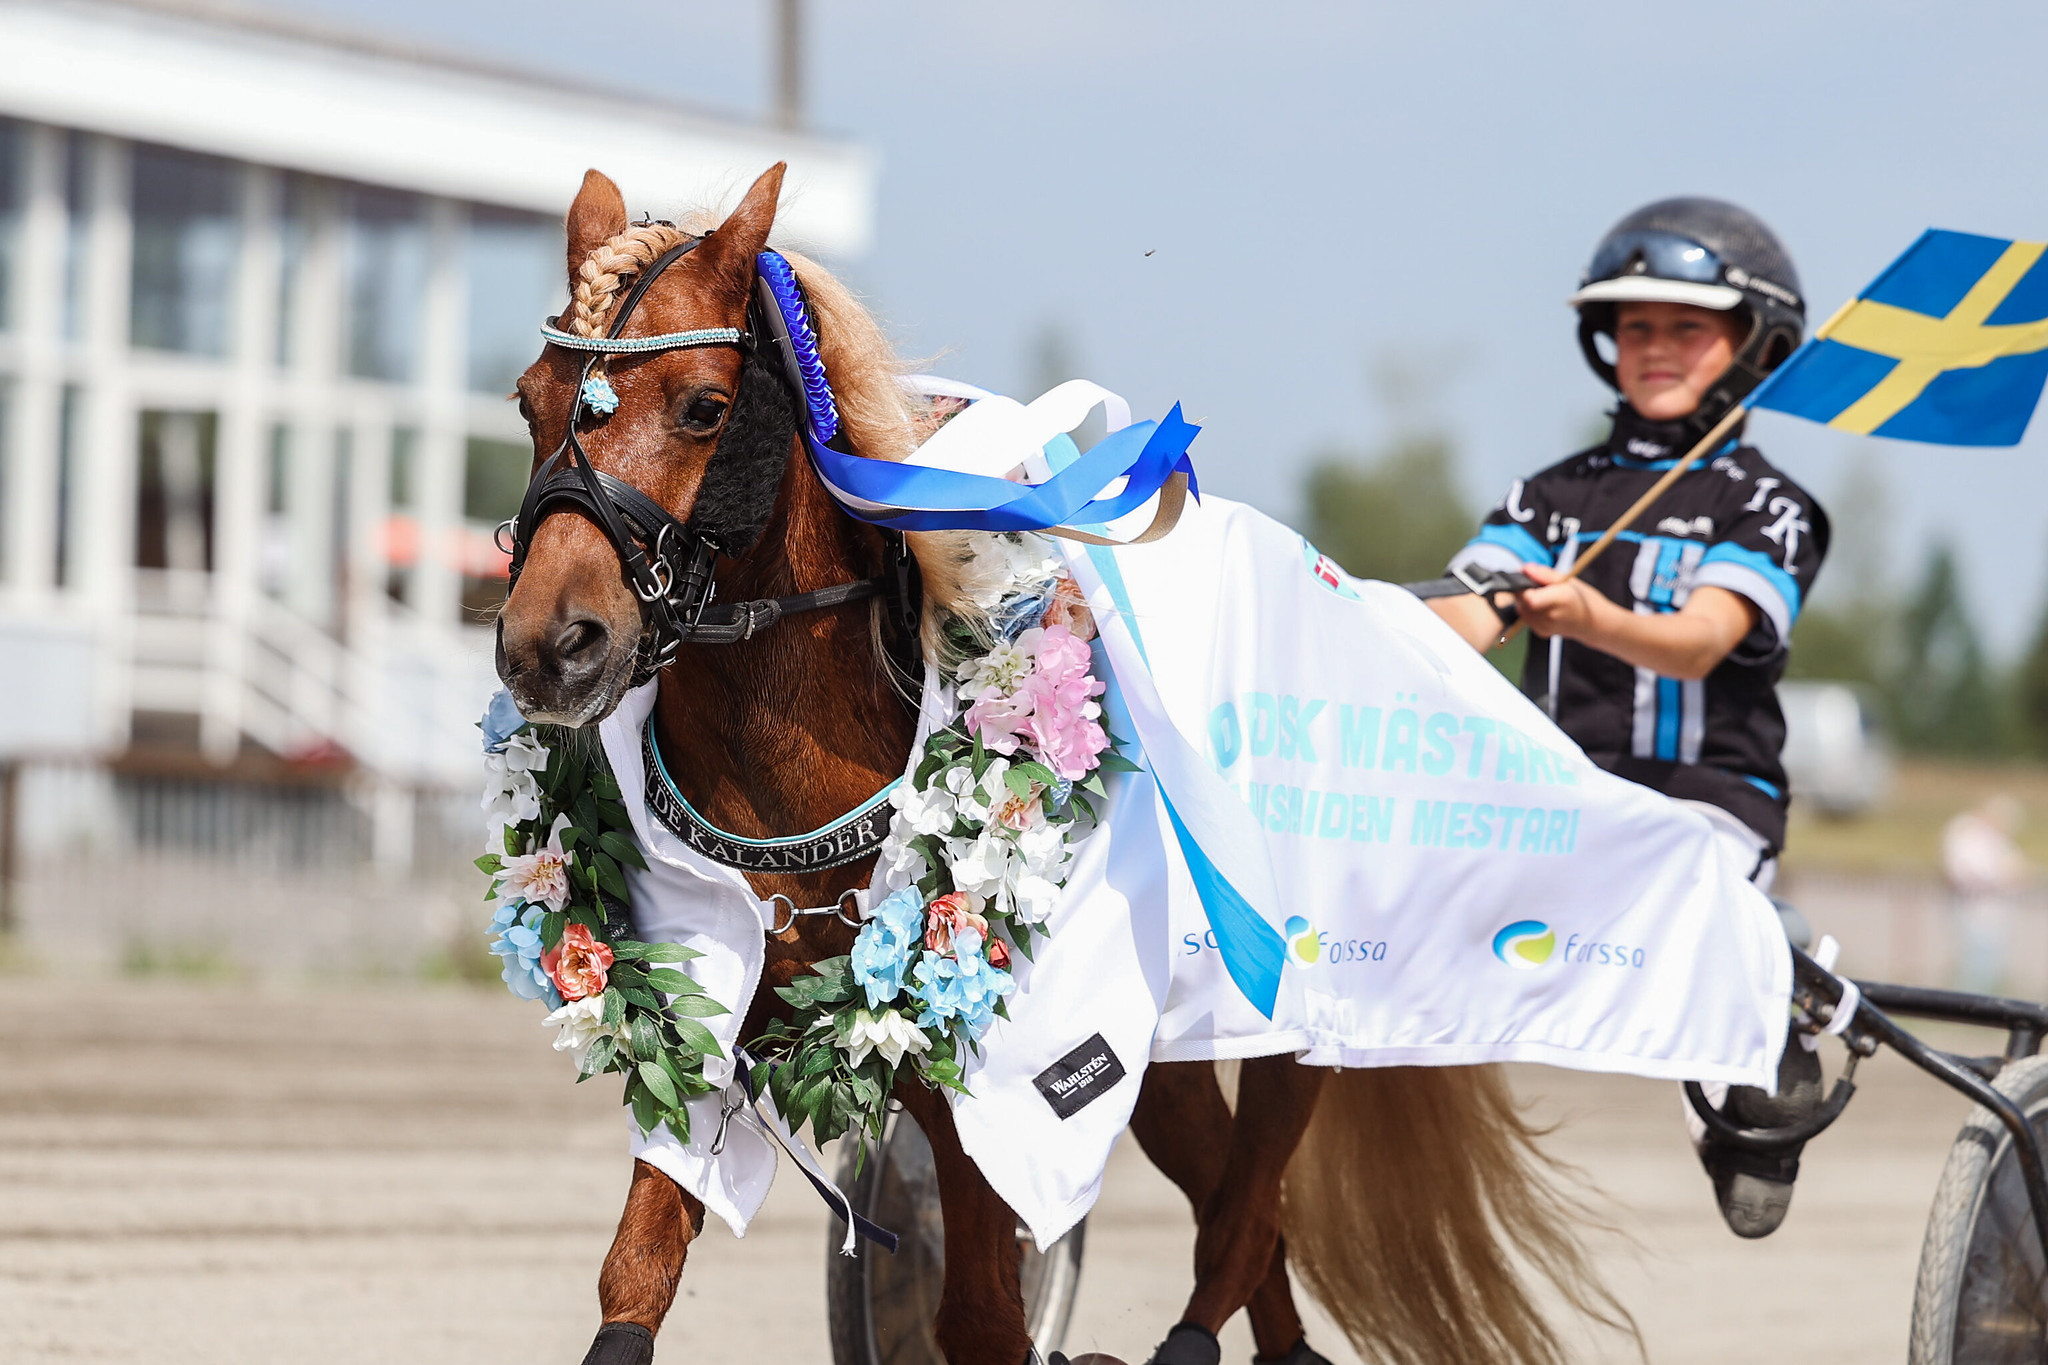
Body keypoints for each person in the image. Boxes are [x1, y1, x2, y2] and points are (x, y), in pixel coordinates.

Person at [1428, 197, 1830, 1239]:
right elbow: (1463, 620)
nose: (1651, 350)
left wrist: (1590, 615)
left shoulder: (1767, 506)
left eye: (1684, 328)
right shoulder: (1550, 496)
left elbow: (1700, 640)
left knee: (1688, 880)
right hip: (1560, 800)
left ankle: (1768, 1051)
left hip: (1704, 801)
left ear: (1756, 347)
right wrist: (1347, 613)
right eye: (1634, 327)